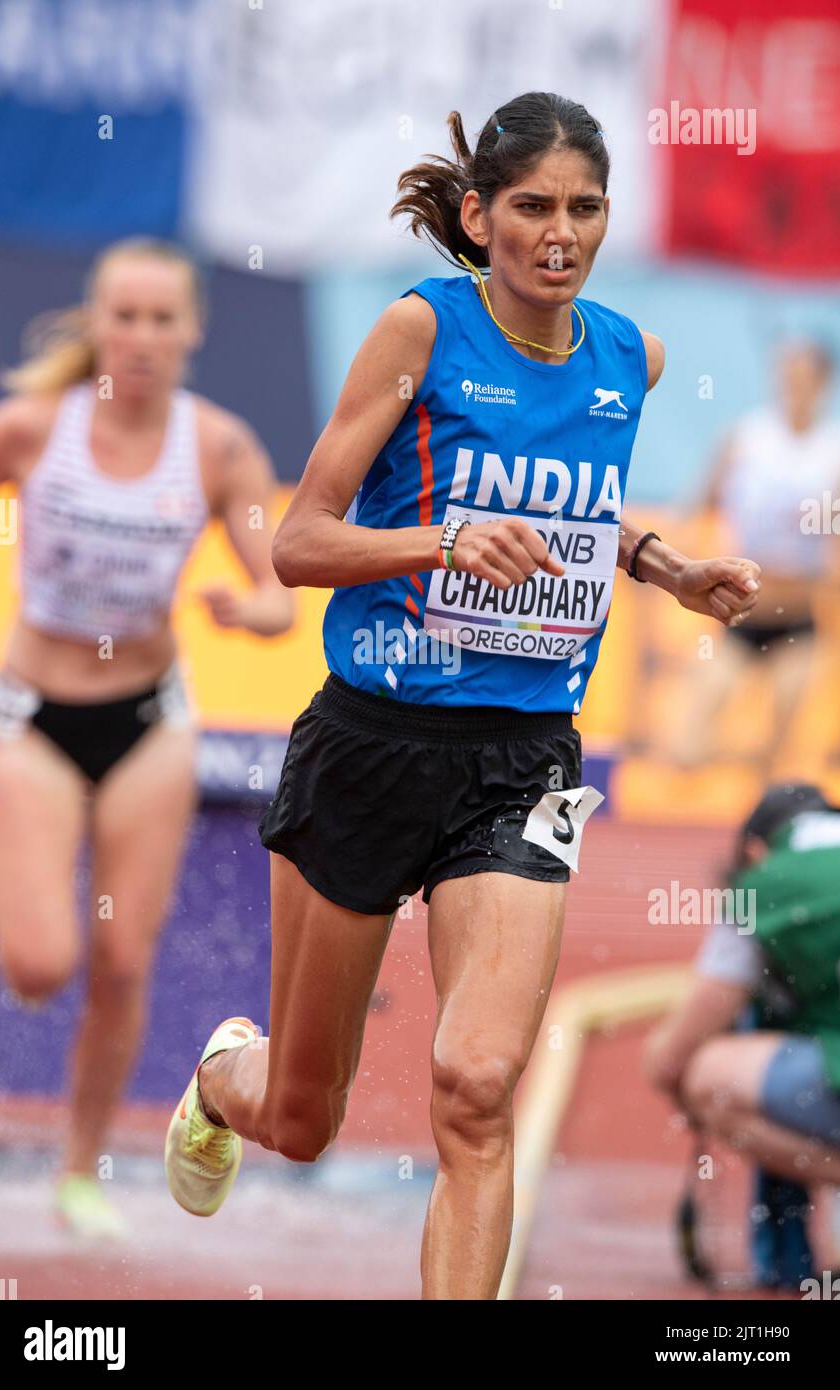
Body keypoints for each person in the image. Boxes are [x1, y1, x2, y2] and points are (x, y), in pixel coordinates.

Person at [165, 91, 760, 1300]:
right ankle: (227, 1068)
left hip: (524, 758)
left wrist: (667, 569)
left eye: (584, 208)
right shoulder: (417, 333)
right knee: (299, 1117)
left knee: (476, 1087)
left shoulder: (627, 359)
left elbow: (577, 519)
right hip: (373, 738)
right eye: (533, 206)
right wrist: (441, 544)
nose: (560, 232)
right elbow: (300, 542)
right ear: (479, 215)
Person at [0, 236, 293, 1238]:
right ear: (94, 322)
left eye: (164, 319)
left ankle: (80, 1169)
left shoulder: (219, 447)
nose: (144, 337)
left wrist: (253, 611)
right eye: (126, 316)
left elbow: (282, 586)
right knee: (38, 963)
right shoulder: (30, 431)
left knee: (122, 961)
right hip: (34, 716)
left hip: (150, 720)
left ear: (194, 329)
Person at [643, 782, 840, 1289]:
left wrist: (672, 1079)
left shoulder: (764, 883)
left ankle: (785, 1262)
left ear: (754, 848)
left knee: (709, 1077)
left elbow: (675, 1050)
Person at [666, 340, 840, 775]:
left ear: (822, 383)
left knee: (779, 747)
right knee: (688, 745)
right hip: (742, 613)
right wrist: (670, 559)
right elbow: (701, 498)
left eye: (803, 378)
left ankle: (762, 822)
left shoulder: (831, 450)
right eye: (787, 376)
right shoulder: (748, 436)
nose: (794, 386)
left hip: (798, 619)